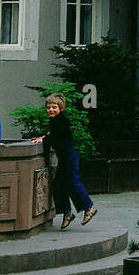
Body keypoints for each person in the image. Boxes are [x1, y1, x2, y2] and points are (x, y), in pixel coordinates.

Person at [32, 94, 96, 230]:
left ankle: (88, 207)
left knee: (72, 182)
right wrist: (44, 137)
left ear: (61, 108)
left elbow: (57, 140)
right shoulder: (56, 121)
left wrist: (44, 140)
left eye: (54, 107)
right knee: (59, 186)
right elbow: (53, 135)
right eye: (48, 107)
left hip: (69, 157)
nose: (51, 110)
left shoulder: (61, 120)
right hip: (64, 157)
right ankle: (67, 213)